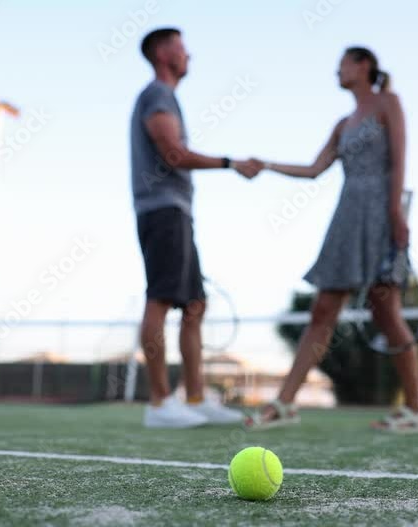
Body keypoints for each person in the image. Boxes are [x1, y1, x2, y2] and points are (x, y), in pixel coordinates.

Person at [245, 47, 418, 433]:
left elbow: (400, 158)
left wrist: (396, 212)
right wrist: (265, 165)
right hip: (347, 218)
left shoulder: (388, 102)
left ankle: (416, 410)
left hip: (381, 213)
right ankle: (284, 404)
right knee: (322, 309)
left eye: (343, 63)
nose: (337, 70)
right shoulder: (342, 124)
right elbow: (314, 169)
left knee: (386, 311)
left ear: (364, 66)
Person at [131, 27, 262, 428]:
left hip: (178, 211)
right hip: (162, 210)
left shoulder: (167, 97)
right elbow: (173, 153)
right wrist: (230, 163)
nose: (189, 55)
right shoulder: (157, 95)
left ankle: (196, 396)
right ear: (162, 53)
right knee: (160, 299)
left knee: (194, 305)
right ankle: (158, 403)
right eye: (182, 48)